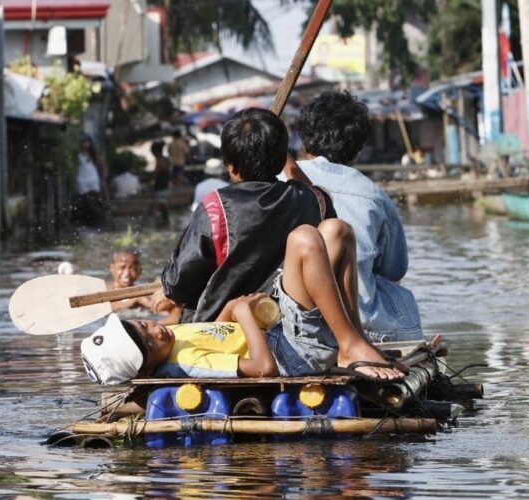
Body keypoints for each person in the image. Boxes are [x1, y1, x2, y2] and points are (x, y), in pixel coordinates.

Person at [148, 108, 400, 378]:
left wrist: (166, 288)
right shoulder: (309, 200)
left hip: (227, 332)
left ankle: (353, 342)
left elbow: (179, 285)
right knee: (335, 228)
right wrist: (286, 161)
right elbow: (313, 193)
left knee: (335, 230)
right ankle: (351, 340)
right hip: (277, 325)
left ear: (230, 166)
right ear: (282, 159)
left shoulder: (215, 207)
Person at [81, 221, 405, 384]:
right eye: (149, 343)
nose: (156, 332)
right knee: (303, 238)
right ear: (149, 369)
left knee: (336, 231)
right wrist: (244, 314)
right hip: (292, 353)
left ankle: (355, 340)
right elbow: (264, 369)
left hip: (285, 335)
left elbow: (217, 331)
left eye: (145, 326)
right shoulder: (181, 365)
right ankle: (348, 346)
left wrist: (234, 308)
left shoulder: (174, 339)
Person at [291, 91, 423, 342]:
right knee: (393, 294)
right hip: (363, 325)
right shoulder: (374, 196)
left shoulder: (279, 182)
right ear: (358, 148)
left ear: (305, 140)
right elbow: (394, 270)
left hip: (293, 323)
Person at [150, 140, 171, 222]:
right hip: (166, 185)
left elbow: (155, 174)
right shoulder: (166, 159)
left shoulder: (159, 161)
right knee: (164, 206)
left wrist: (149, 181)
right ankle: (165, 222)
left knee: (155, 207)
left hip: (160, 186)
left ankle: (153, 225)